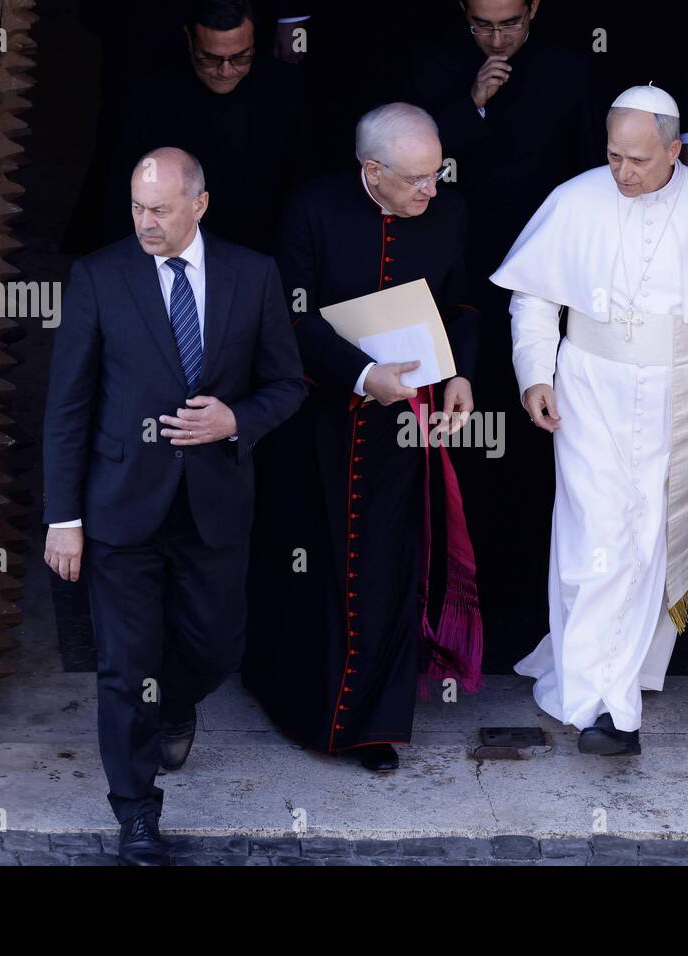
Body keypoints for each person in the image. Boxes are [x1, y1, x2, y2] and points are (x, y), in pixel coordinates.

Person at [491, 86, 688, 755]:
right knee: (598, 535)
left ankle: (625, 673)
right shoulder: (575, 200)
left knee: (654, 538)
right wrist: (534, 376)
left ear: (674, 149)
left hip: (685, 390)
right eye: (612, 156)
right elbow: (534, 301)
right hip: (590, 388)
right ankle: (605, 702)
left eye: (637, 159)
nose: (622, 173)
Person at [42, 147, 306, 864]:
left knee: (217, 646)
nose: (145, 221)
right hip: (119, 508)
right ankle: (136, 813)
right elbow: (68, 406)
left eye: (159, 209)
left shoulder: (253, 276)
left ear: (200, 205)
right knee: (125, 667)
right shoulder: (101, 276)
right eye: (136, 206)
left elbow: (288, 384)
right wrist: (62, 518)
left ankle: (176, 698)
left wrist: (235, 420)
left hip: (215, 504)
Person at [242, 104, 482, 773]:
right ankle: (300, 704)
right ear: (372, 171)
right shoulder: (312, 208)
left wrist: (463, 373)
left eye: (435, 175)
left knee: (386, 564)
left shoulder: (449, 210)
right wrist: (361, 374)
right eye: (415, 180)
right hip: (316, 421)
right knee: (308, 565)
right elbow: (288, 311)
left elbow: (461, 301)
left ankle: (376, 721)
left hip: (401, 429)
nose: (431, 191)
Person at [407, 0, 602, 664]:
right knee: (462, 425)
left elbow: (587, 176)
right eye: (483, 25)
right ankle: (461, 587)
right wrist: (471, 106)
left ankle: (531, 593)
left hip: (545, 281)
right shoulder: (436, 66)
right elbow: (415, 169)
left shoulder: (568, 71)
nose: (497, 38)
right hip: (462, 280)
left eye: (510, 24)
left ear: (535, 11)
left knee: (537, 428)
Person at [77, 0, 310, 252]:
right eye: (209, 59)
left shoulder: (284, 93)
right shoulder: (150, 100)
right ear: (189, 41)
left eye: (240, 57)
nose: (225, 71)